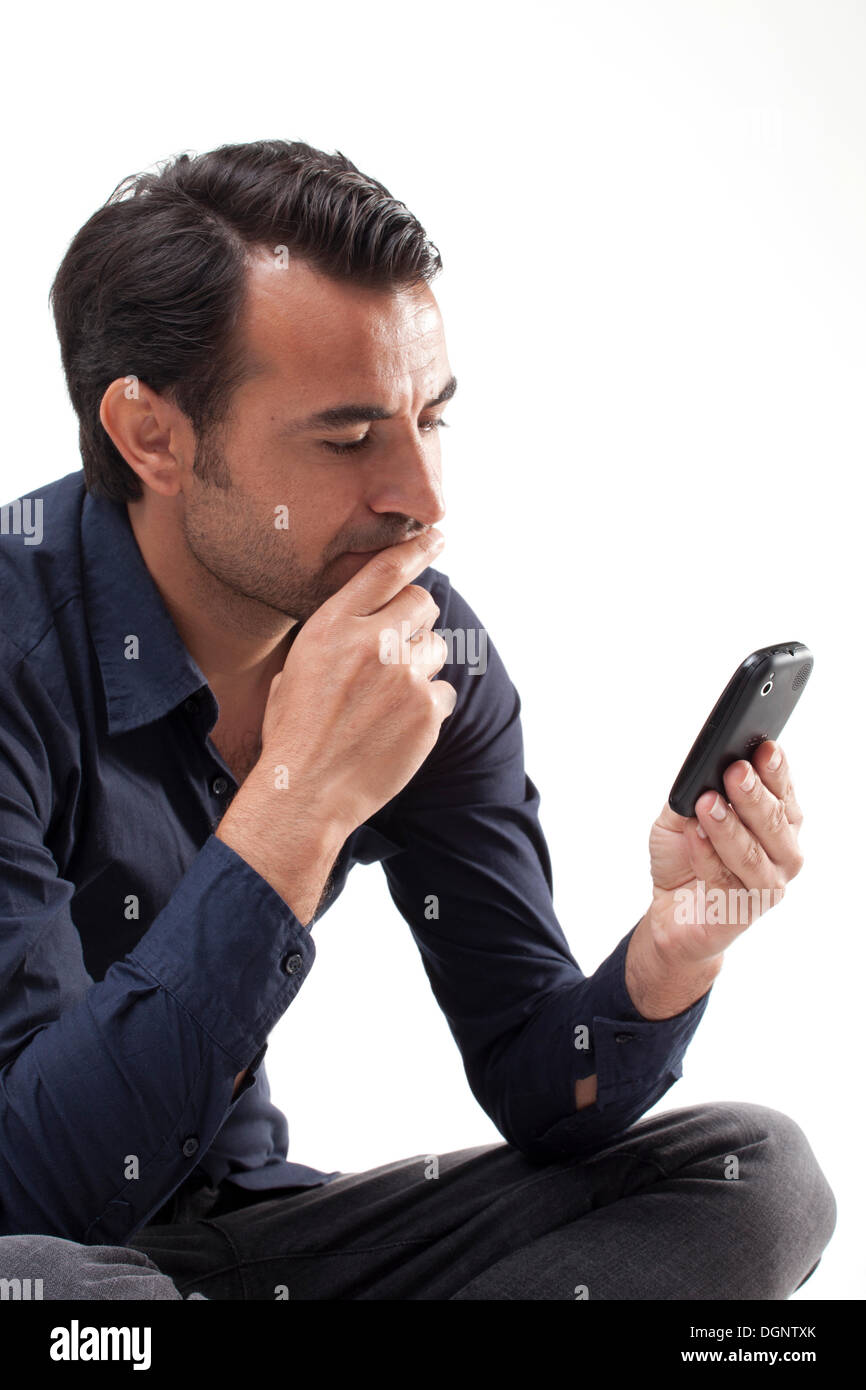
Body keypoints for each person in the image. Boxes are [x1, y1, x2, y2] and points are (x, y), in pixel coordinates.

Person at [0, 140, 835, 1301]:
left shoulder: (423, 655)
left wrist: (668, 952)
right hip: (40, 1247)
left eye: (429, 418)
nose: (423, 498)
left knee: (757, 1175)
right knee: (51, 1289)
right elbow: (30, 1190)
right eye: (346, 440)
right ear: (153, 436)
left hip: (261, 1244)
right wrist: (298, 803)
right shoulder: (13, 645)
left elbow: (538, 1085)